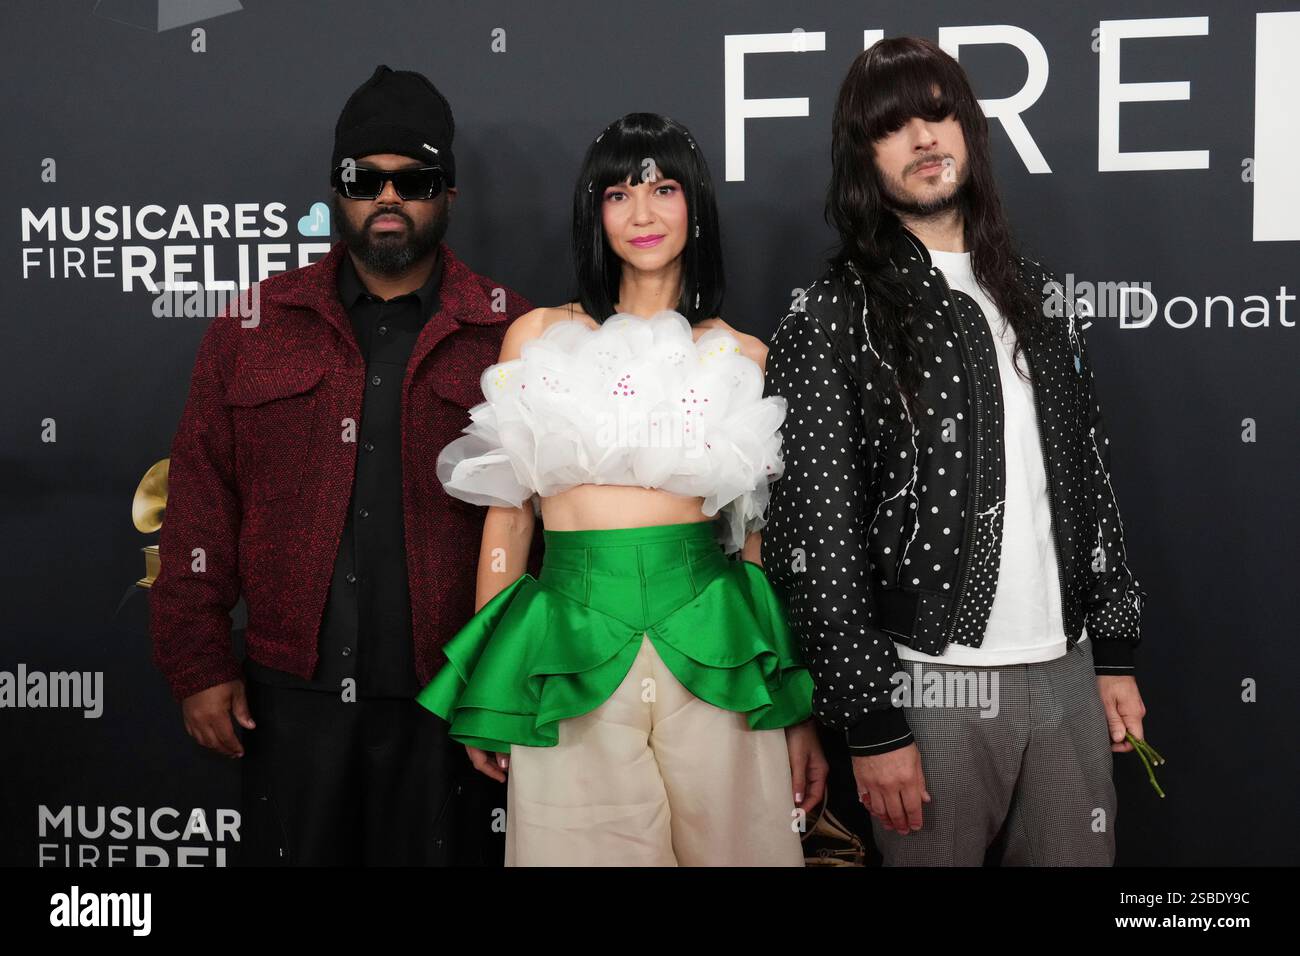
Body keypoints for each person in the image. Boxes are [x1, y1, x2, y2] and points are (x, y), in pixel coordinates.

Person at [762, 37, 1150, 866]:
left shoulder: (1041, 297)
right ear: (863, 158)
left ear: (970, 128)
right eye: (892, 127)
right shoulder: (832, 317)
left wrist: (1112, 652)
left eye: (939, 114)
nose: (924, 138)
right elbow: (815, 538)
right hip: (929, 683)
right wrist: (871, 722)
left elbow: (1088, 478)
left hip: (1069, 669)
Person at [149, 64, 535, 865]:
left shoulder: (514, 334)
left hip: (451, 700)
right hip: (288, 701)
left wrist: (515, 688)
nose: (388, 198)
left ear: (449, 195)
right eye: (365, 179)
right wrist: (197, 662)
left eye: (415, 179)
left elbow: (555, 534)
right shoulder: (252, 328)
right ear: (337, 191)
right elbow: (199, 501)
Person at [417, 113, 827, 866]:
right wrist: (491, 682)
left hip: (718, 647)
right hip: (568, 647)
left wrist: (795, 713)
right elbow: (509, 526)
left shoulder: (744, 354)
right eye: (619, 193)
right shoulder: (536, 336)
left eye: (664, 188)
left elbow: (758, 545)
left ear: (694, 205)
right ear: (594, 211)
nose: (642, 213)